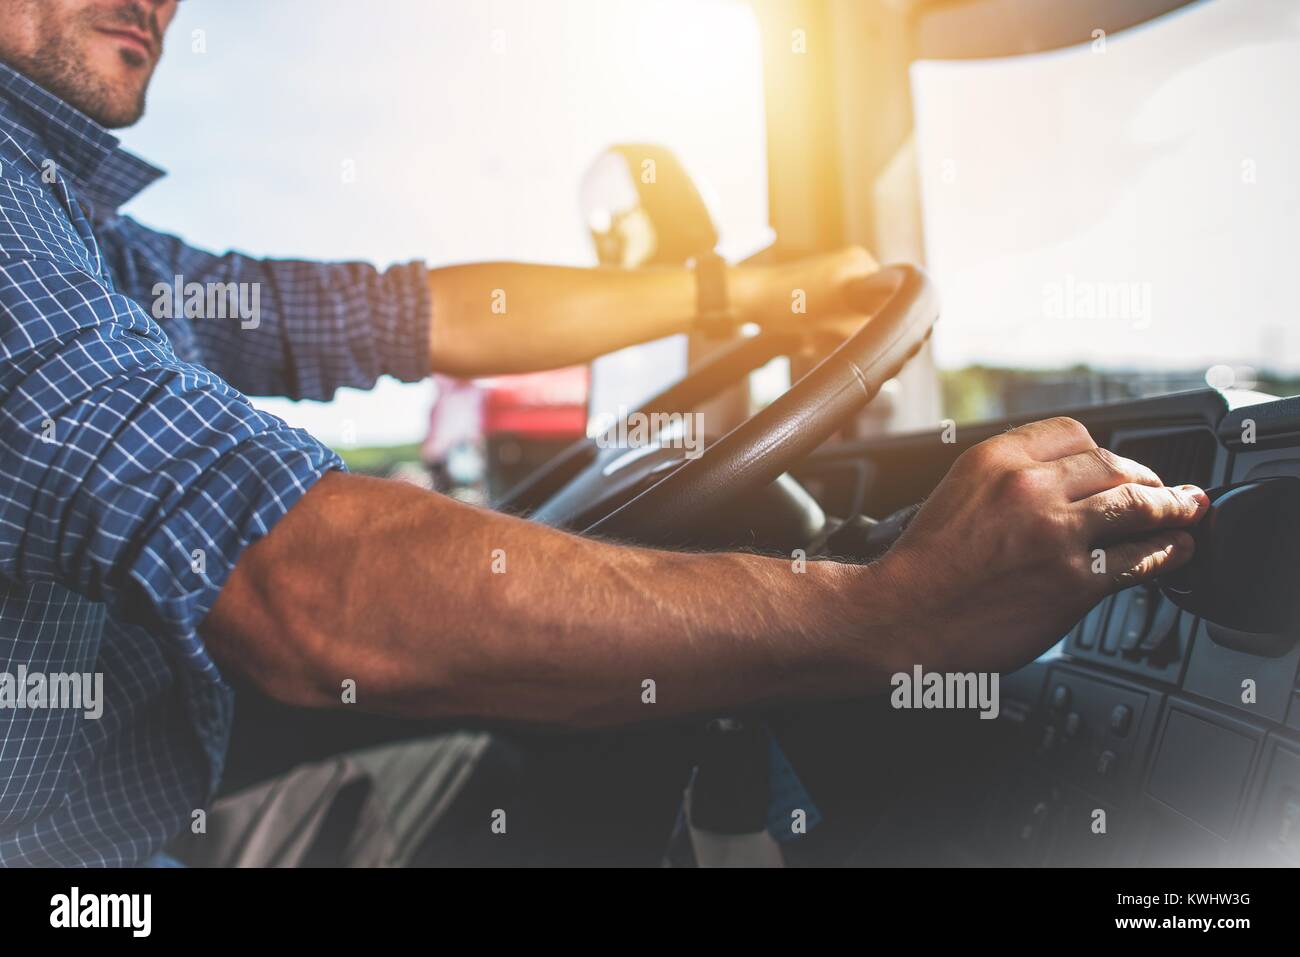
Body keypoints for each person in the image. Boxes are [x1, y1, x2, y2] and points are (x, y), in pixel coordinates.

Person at [0, 0, 1207, 866]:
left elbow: (384, 311)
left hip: (150, 818)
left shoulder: (85, 235)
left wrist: (735, 297)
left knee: (554, 763)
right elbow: (297, 581)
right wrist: (888, 611)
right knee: (582, 757)